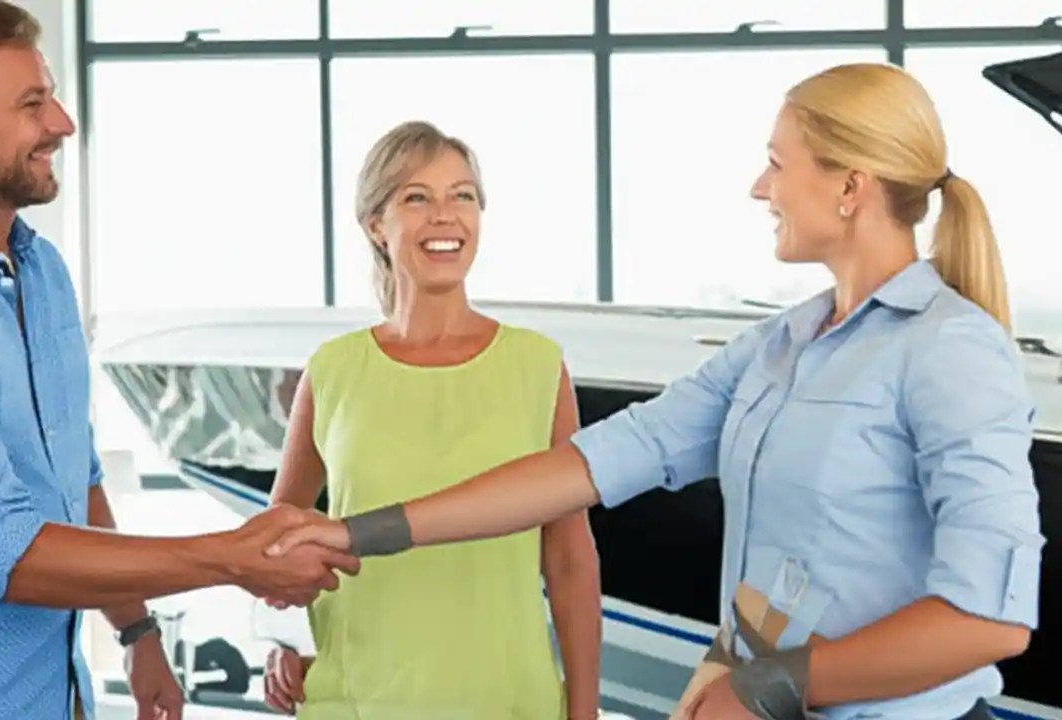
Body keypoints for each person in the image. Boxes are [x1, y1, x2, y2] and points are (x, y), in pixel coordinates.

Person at [266, 63, 1044, 720]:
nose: (758, 186)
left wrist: (777, 683)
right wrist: (353, 534)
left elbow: (990, 622)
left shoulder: (951, 349)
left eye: (778, 161)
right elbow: (591, 465)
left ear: (850, 186)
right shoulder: (779, 346)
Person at [0, 1, 357, 719]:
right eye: (32, 103)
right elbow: (4, 553)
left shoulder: (40, 271)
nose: (61, 122)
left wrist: (137, 628)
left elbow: (74, 478)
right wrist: (228, 556)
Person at [260, 121, 602, 719]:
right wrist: (281, 644)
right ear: (376, 225)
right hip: (359, 700)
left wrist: (584, 710)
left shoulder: (538, 366)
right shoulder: (333, 369)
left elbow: (570, 558)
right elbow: (273, 543)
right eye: (417, 197)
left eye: (462, 196)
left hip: (509, 701)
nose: (445, 215)